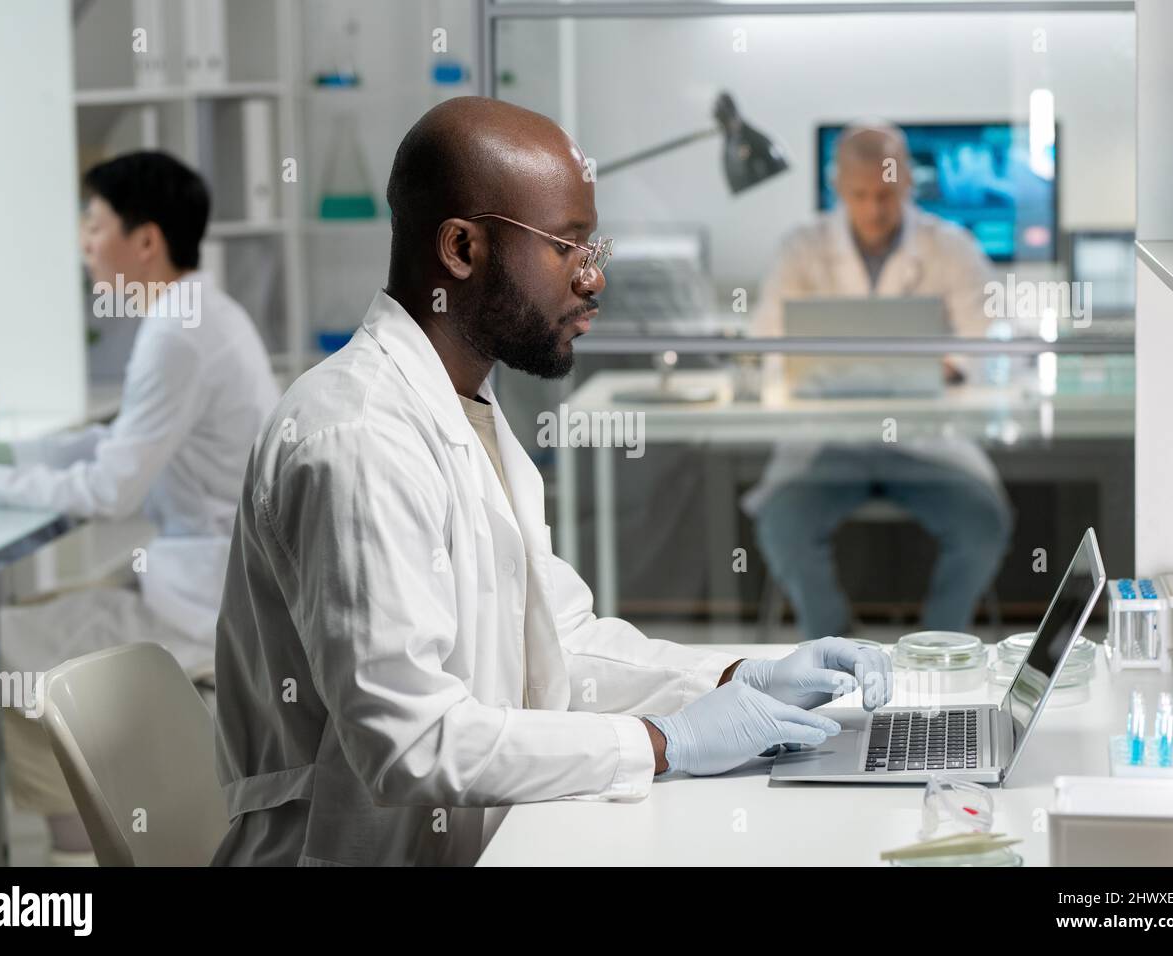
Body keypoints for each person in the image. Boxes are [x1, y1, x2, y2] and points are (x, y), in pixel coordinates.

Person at [212, 97, 893, 867]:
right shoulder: (358, 437)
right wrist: (665, 743)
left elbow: (557, 647)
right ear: (462, 248)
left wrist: (740, 675)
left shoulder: (465, 408)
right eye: (566, 247)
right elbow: (408, 741)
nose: (594, 277)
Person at [0, 151, 280, 862]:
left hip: (203, 596)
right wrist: (11, 455)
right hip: (210, 576)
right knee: (23, 630)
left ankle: (77, 842)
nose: (84, 245)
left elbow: (109, 489)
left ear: (146, 240)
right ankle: (78, 836)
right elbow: (123, 440)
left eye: (94, 225)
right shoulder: (198, 313)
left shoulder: (176, 336)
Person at [744, 123, 1014, 640]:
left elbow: (986, 339)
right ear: (837, 188)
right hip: (825, 442)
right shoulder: (801, 249)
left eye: (887, 194)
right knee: (783, 524)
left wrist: (937, 367)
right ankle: (832, 643)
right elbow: (766, 342)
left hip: (928, 442)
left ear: (910, 182)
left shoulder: (951, 247)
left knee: (983, 523)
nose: (874, 209)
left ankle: (939, 643)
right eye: (861, 195)